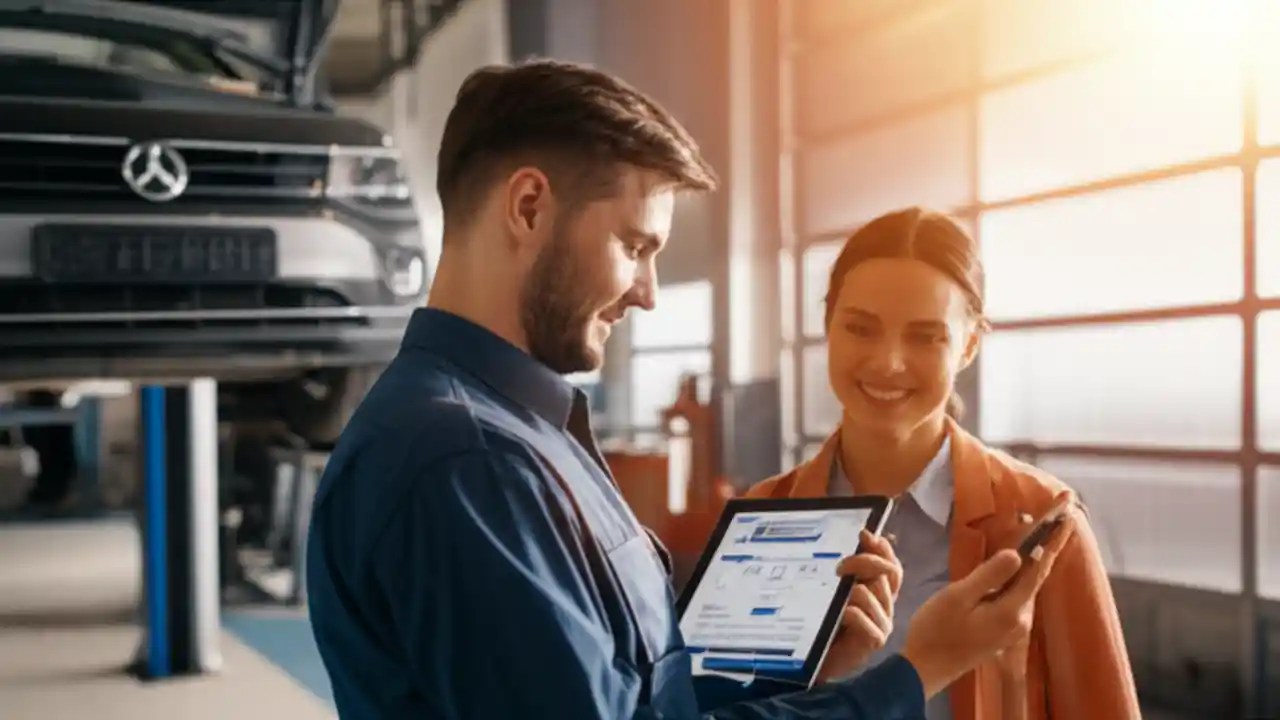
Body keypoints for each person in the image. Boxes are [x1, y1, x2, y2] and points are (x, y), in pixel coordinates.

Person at [305, 59, 1072, 720]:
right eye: (634, 245)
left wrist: (797, 672)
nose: (647, 293)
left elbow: (629, 698)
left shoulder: (520, 435)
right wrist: (913, 675)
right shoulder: (465, 463)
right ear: (528, 206)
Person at [746, 208, 1141, 719]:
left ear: (970, 344)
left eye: (925, 336)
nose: (888, 362)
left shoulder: (1042, 524)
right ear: (828, 328)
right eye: (860, 328)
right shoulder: (762, 515)